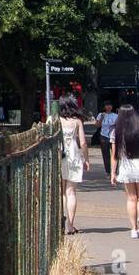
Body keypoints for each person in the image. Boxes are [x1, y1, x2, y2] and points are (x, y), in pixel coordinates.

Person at [110, 104, 139, 239]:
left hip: (126, 167)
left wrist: (113, 173)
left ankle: (134, 229)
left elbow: (114, 155)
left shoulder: (116, 131)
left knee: (131, 198)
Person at [58, 95, 89, 235]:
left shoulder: (54, 121)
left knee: (61, 192)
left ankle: (62, 223)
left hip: (59, 156)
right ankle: (70, 225)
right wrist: (86, 159)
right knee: (71, 192)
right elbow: (82, 142)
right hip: (73, 156)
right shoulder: (77, 121)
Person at [96, 101, 118, 175]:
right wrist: (101, 118)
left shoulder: (115, 115)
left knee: (114, 153)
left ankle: (114, 170)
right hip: (103, 136)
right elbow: (97, 125)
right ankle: (108, 171)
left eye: (110, 105)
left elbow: (119, 126)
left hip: (113, 136)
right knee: (106, 155)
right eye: (107, 105)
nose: (108, 107)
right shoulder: (100, 114)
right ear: (104, 107)